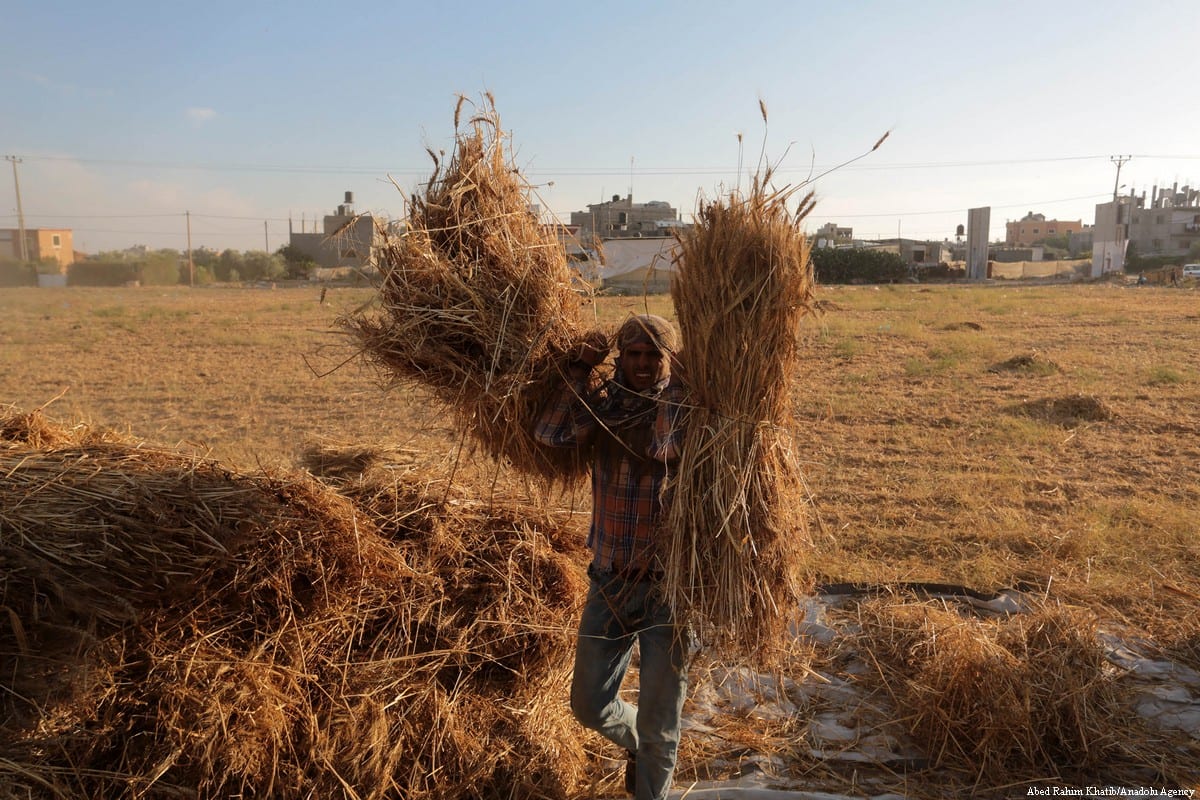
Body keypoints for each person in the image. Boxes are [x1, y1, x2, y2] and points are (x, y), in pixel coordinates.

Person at [534, 314, 688, 800]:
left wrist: (677, 388)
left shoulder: (688, 410)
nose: (642, 364)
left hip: (669, 589)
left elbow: (666, 446)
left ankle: (653, 767)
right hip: (609, 581)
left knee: (662, 722)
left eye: (653, 356)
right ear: (620, 358)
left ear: (668, 360)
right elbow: (549, 434)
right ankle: (643, 746)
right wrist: (580, 369)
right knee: (589, 705)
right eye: (633, 354)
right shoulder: (603, 410)